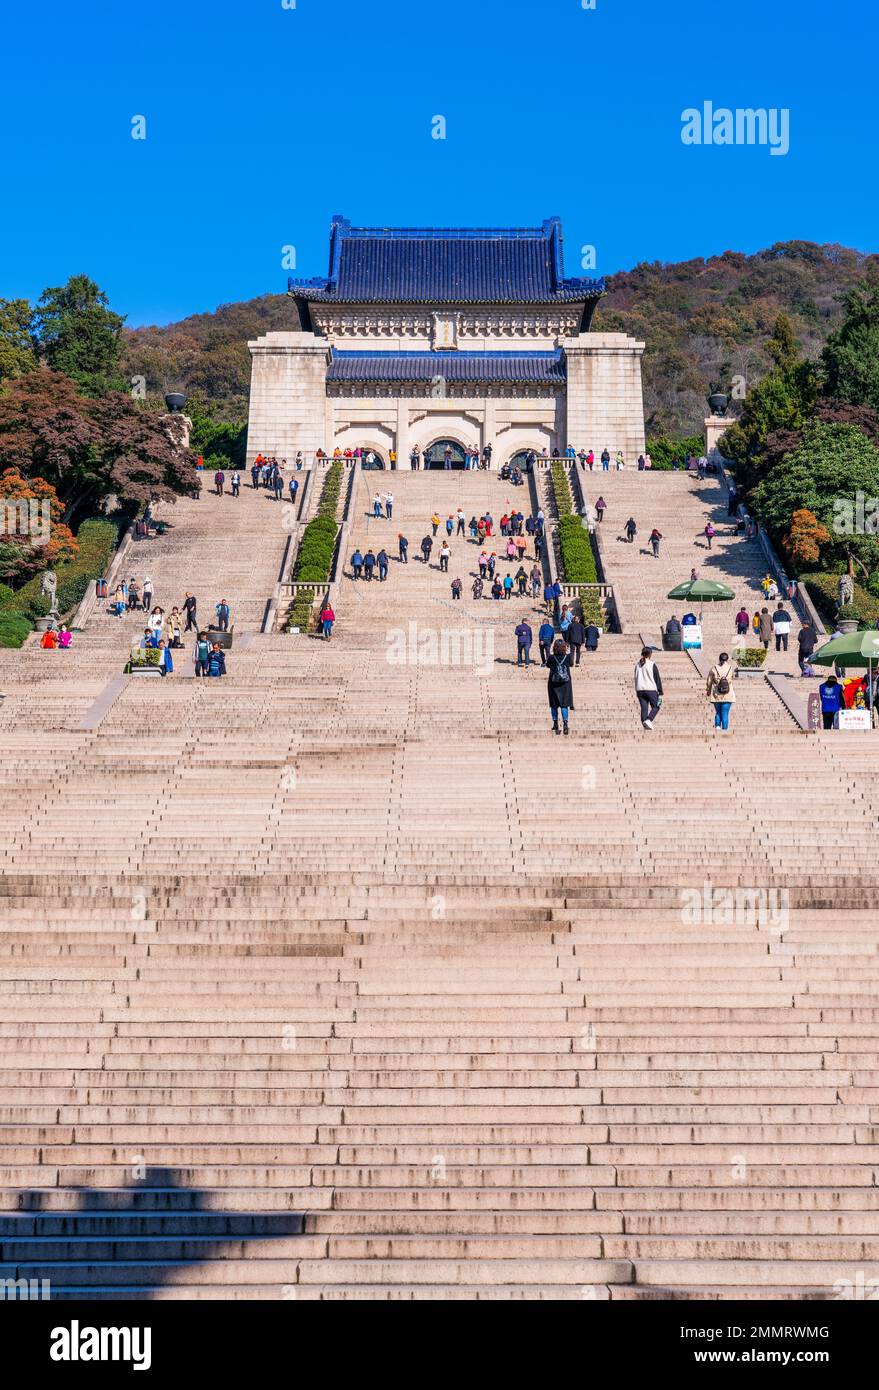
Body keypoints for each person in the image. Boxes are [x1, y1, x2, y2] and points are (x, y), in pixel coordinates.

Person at [547, 638, 573, 735]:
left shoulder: (551, 657)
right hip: (565, 684)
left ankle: (555, 723)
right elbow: (571, 664)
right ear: (564, 647)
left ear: (554, 647)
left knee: (554, 705)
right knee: (564, 704)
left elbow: (548, 665)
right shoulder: (568, 657)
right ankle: (565, 724)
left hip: (553, 683)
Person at [635, 647, 663, 730]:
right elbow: (657, 678)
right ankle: (648, 719)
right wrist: (660, 692)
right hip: (650, 689)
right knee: (656, 706)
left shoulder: (637, 664)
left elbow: (636, 678)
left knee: (644, 708)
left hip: (640, 690)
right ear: (650, 654)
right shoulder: (651, 664)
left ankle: (645, 723)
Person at [706, 651, 735, 731]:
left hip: (717, 693)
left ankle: (717, 726)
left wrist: (708, 690)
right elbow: (732, 678)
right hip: (728, 692)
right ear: (727, 659)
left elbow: (709, 681)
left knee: (718, 712)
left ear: (719, 659)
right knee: (725, 713)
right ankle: (725, 729)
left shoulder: (714, 668)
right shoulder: (730, 668)